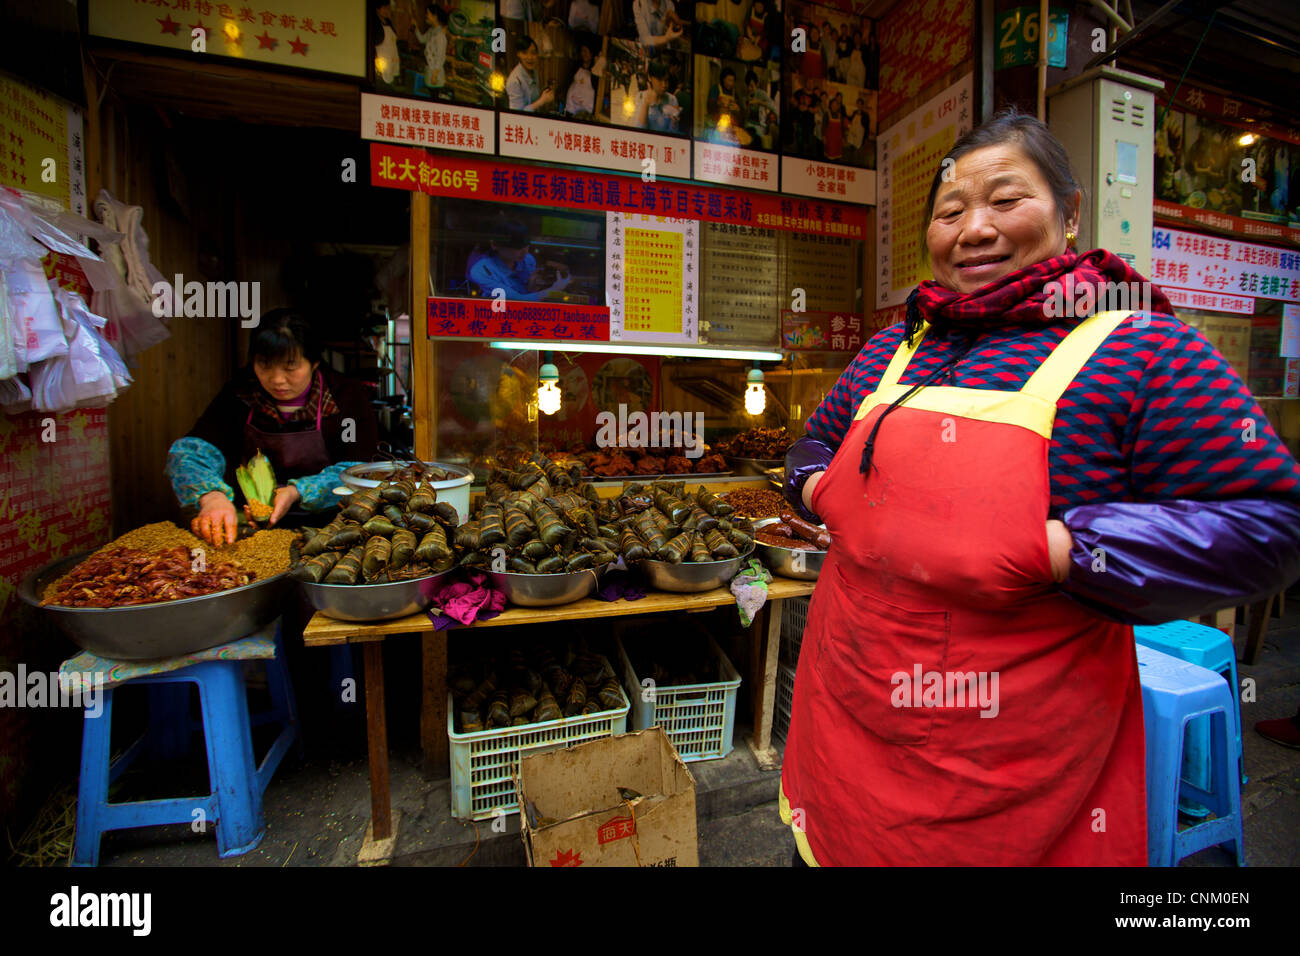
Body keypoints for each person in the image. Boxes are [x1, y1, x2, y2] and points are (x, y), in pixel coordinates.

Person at [779, 109, 1300, 866]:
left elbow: (1271, 522)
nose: (974, 229)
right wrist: (815, 486)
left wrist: (1061, 549)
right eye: (950, 211)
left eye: (1006, 200)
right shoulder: (900, 344)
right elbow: (816, 439)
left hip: (1007, 778)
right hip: (844, 736)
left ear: (1070, 212)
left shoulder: (1137, 344)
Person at [167, 309, 381, 545]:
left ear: (314, 362)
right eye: (265, 365)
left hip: (332, 528)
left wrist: (296, 492)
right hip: (254, 527)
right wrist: (211, 496)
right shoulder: (240, 395)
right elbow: (190, 452)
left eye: (290, 367)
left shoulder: (345, 398)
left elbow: (358, 470)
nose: (277, 379)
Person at [467, 220, 571, 301]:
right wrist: (554, 290)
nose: (524, 252)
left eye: (527, 246)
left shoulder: (528, 260)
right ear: (494, 245)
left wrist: (535, 283)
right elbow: (517, 300)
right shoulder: (481, 270)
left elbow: (529, 292)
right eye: (517, 247)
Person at [507, 36, 554, 112]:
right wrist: (542, 101)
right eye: (524, 53)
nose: (530, 57)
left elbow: (533, 98)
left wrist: (545, 94)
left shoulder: (533, 71)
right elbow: (517, 114)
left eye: (533, 53)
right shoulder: (514, 81)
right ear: (518, 54)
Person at [633, 59, 681, 132]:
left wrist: (674, 123)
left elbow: (674, 132)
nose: (664, 85)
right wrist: (645, 104)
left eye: (666, 80)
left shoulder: (672, 99)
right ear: (649, 77)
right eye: (660, 80)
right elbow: (639, 130)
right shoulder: (640, 97)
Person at [416, 4, 449, 89]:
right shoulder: (432, 30)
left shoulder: (440, 35)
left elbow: (440, 56)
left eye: (428, 13)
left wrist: (435, 75)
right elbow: (422, 39)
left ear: (435, 17)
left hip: (435, 74)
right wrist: (415, 28)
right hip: (429, 70)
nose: (426, 16)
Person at [565, 43, 597, 117]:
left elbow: (595, 87)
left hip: (585, 108)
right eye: (582, 51)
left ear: (591, 54)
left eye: (585, 51)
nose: (583, 54)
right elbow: (570, 82)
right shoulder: (576, 66)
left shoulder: (595, 71)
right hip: (572, 105)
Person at [373, 1, 400, 85]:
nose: (386, 10)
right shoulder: (374, 23)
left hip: (392, 59)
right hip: (381, 62)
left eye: (387, 8)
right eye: (383, 8)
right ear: (377, 9)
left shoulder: (388, 22)